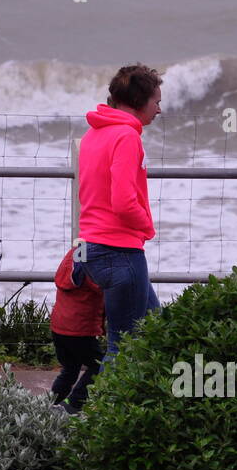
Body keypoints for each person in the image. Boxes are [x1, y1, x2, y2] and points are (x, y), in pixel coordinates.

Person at [76, 64, 163, 361]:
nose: (159, 110)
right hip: (121, 251)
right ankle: (98, 408)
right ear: (140, 101)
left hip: (92, 249)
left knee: (154, 328)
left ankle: (84, 406)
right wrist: (147, 227)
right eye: (156, 101)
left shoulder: (94, 134)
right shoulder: (126, 136)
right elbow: (124, 201)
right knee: (123, 345)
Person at [49, 244, 105, 412]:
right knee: (99, 365)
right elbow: (102, 285)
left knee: (70, 369)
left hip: (59, 326)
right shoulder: (94, 260)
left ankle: (50, 404)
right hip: (80, 329)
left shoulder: (73, 256)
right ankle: (75, 403)